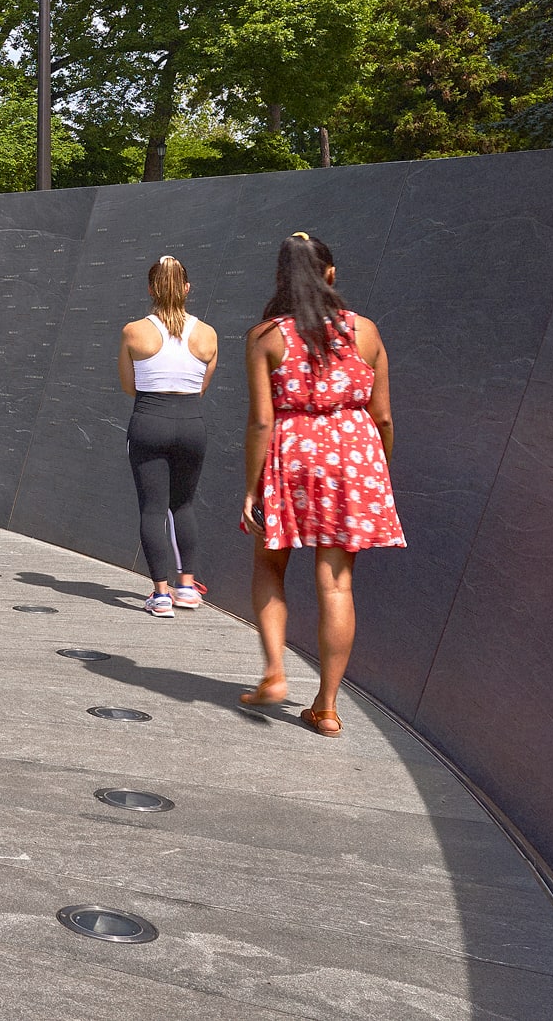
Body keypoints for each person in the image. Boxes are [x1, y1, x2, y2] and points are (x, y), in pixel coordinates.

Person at [238, 232, 405, 737]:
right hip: (354, 457)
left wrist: (251, 488)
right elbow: (384, 417)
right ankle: (327, 707)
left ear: (281, 280)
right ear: (330, 274)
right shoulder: (366, 332)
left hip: (292, 456)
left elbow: (261, 422)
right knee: (337, 583)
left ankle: (274, 670)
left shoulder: (266, 336)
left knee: (271, 562)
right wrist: (378, 472)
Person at [116, 256, 219, 618]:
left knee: (153, 508)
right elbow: (201, 387)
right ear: (187, 289)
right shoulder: (207, 334)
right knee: (184, 505)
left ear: (150, 289)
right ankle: (187, 587)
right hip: (191, 422)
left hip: (149, 420)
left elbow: (129, 386)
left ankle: (161, 595)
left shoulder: (134, 331)